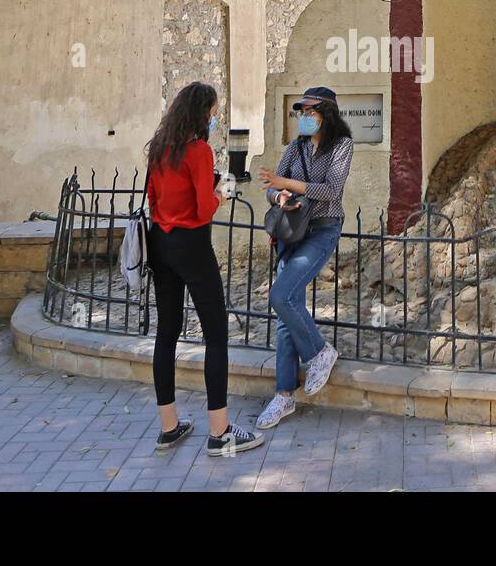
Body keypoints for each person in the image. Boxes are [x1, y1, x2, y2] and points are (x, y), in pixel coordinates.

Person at [144, 81, 264, 457]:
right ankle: (220, 431)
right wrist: (220, 194)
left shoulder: (159, 149)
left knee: (167, 333)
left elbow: (153, 196)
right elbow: (200, 208)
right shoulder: (198, 152)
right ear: (201, 114)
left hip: (160, 243)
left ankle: (168, 426)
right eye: (213, 114)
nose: (215, 119)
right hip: (192, 246)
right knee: (215, 333)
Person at [254, 86, 354, 429]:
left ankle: (318, 353)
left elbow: (331, 191)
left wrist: (286, 182)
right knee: (286, 307)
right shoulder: (294, 148)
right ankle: (283, 396)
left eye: (310, 112)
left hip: (322, 228)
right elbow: (270, 187)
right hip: (291, 228)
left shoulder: (341, 146)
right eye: (301, 112)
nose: (304, 117)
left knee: (281, 295)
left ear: (326, 113)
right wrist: (278, 195)